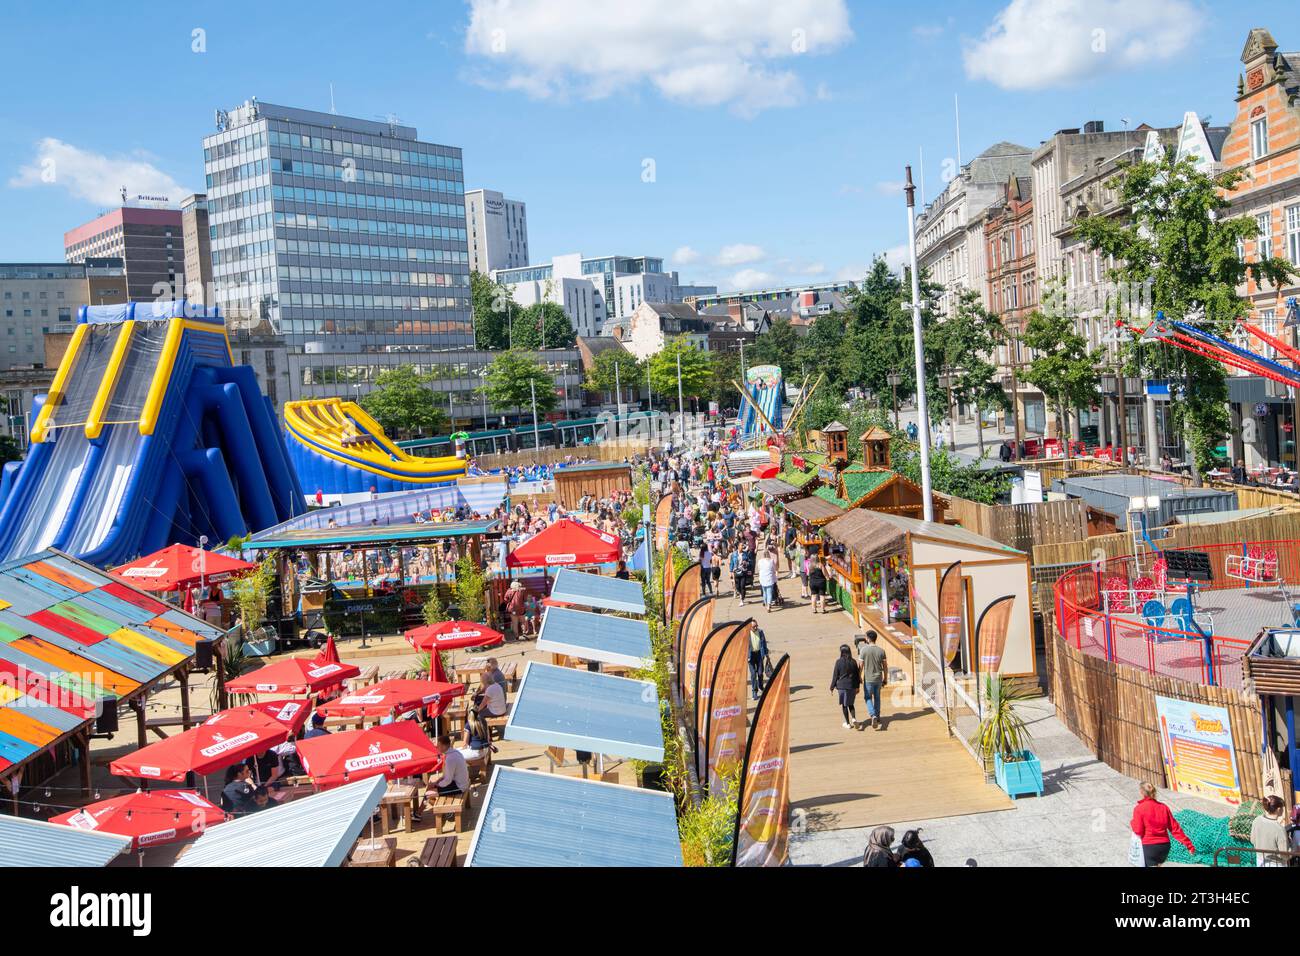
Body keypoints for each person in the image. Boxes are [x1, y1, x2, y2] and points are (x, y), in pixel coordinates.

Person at [1130, 781, 1195, 866]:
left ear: (1141, 792)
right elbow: (1175, 829)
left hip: (1149, 847)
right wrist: (1189, 845)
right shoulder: (1164, 807)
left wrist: (1132, 822)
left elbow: (1138, 831)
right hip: (1164, 847)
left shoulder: (1139, 809)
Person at [856, 631, 888, 730]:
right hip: (878, 678)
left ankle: (873, 715)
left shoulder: (863, 650)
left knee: (868, 697)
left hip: (868, 679)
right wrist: (885, 678)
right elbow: (885, 667)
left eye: (866, 637)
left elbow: (860, 666)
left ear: (868, 639)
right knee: (877, 697)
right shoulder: (881, 651)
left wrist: (859, 677)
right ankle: (877, 717)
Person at [1250, 795, 1290, 867]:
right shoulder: (1279, 829)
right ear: (1278, 809)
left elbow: (1252, 840)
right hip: (1276, 864)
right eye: (1282, 808)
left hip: (1260, 861)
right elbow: (1284, 855)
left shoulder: (1257, 820)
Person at [829, 644, 861, 730]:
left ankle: (847, 723)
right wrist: (858, 687)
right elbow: (857, 676)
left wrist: (832, 687)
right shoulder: (853, 661)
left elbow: (835, 675)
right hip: (851, 686)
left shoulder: (838, 662)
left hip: (842, 687)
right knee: (851, 704)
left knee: (844, 705)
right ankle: (854, 718)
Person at [747, 623, 770, 701]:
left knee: (760, 673)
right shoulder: (746, 634)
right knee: (753, 674)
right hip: (751, 656)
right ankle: (754, 691)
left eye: (756, 626)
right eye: (754, 626)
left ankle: (761, 686)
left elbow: (764, 644)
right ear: (750, 627)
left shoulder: (760, 632)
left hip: (759, 654)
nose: (756, 627)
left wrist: (766, 654)